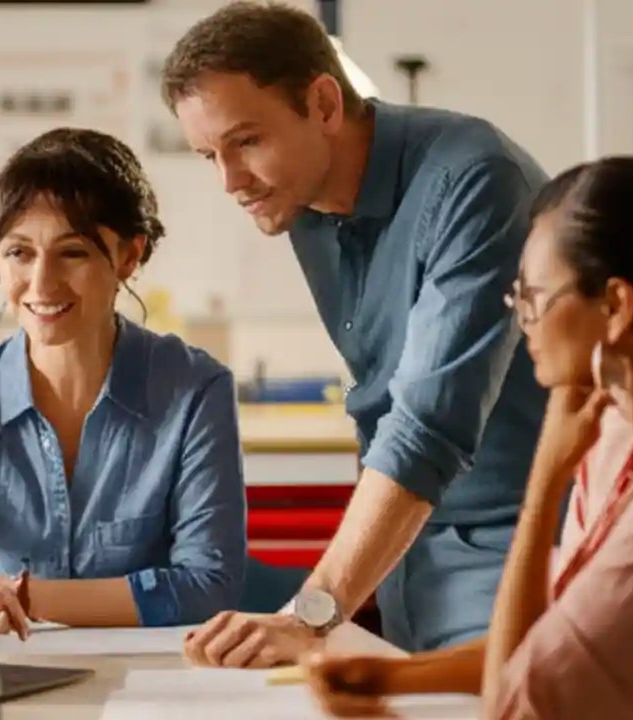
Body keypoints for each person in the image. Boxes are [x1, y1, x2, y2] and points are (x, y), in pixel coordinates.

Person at [162, 1, 551, 663]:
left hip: (514, 553)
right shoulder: (299, 197)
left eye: (247, 141)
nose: (231, 181)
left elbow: (426, 426)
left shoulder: (475, 181)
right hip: (407, 558)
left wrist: (313, 615)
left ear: (323, 103)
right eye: (209, 156)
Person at [306, 157, 633, 719]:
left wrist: (545, 483)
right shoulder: (616, 435)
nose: (522, 319)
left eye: (534, 297)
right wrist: (390, 675)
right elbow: (546, 638)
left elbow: (527, 699)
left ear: (616, 306)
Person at [0, 127, 247, 631]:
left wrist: (23, 596)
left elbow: (208, 587)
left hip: (151, 685)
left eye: (72, 252)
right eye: (19, 253)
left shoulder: (195, 389)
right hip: (5, 671)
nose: (41, 284)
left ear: (129, 257)